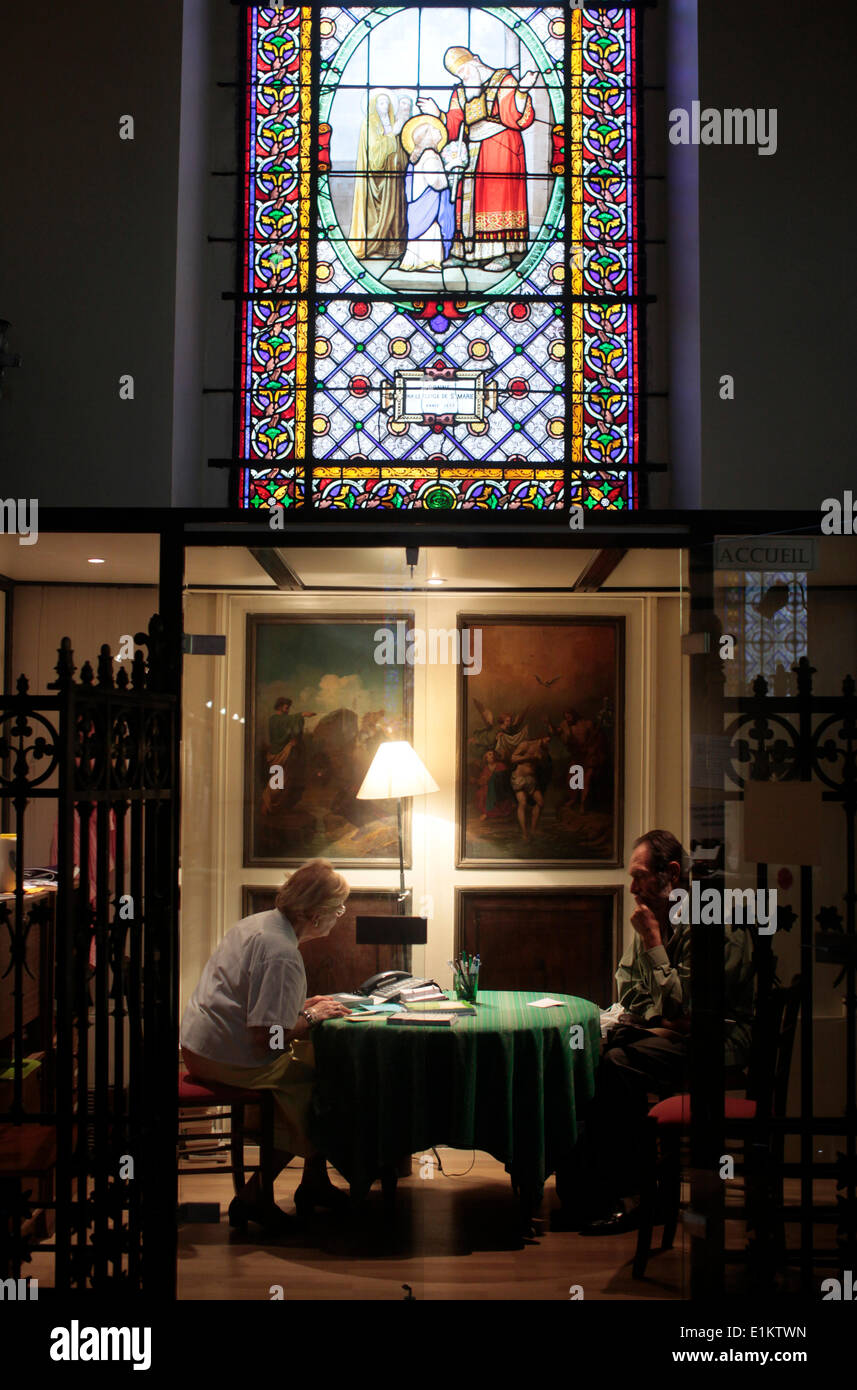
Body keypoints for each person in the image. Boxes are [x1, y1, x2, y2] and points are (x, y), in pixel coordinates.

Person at [558, 829, 754, 1234]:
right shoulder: (655, 913)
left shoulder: (711, 921)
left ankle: (637, 1198)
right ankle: (588, 1194)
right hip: (674, 1035)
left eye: (640, 876)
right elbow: (628, 986)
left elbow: (686, 1010)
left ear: (672, 874)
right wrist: (662, 1019)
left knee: (618, 1064)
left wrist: (652, 942)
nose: (632, 888)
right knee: (590, 1057)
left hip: (721, 1042)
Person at [180, 859, 353, 1232]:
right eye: (336, 908)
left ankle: (314, 1182)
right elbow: (266, 1038)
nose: (339, 916)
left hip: (203, 1043)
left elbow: (251, 1002)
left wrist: (297, 1008)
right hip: (228, 1056)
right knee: (323, 1090)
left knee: (319, 1062)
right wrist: (309, 1019)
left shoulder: (258, 924)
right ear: (314, 913)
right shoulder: (282, 954)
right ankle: (255, 1196)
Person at [417, 45, 537, 270]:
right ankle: (465, 253)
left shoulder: (504, 80)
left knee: (496, 199)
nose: (463, 76)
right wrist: (438, 114)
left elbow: (514, 116)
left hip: (501, 148)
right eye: (458, 74)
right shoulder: (461, 92)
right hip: (471, 149)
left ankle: (501, 253)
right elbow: (453, 124)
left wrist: (521, 92)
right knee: (466, 201)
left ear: (475, 60)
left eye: (464, 69)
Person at [348, 91, 411, 261]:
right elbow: (374, 152)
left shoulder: (392, 122)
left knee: (393, 210)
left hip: (392, 178)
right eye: (381, 102)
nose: (385, 106)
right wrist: (392, 135)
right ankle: (372, 246)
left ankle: (390, 247)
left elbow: (398, 148)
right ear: (374, 105)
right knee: (374, 213)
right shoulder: (369, 123)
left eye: (387, 103)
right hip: (374, 178)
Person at [398, 116, 458, 272]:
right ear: (428, 137)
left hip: (418, 204)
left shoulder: (418, 157)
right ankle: (428, 262)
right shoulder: (430, 154)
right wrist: (451, 169)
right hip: (427, 204)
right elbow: (436, 182)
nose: (439, 130)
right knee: (431, 231)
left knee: (425, 234)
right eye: (434, 129)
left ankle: (417, 262)